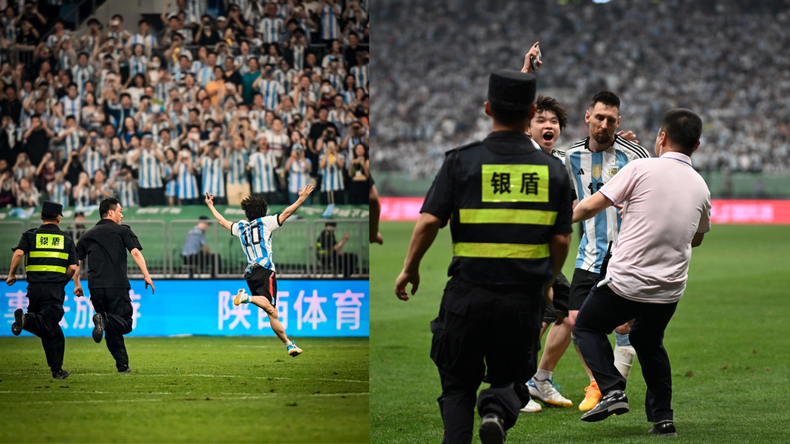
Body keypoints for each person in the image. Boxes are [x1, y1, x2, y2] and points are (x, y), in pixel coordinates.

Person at [394, 70, 573, 444]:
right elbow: (560, 240)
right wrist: (547, 281)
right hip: (521, 301)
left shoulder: (462, 161)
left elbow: (428, 222)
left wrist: (410, 268)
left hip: (467, 296)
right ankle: (495, 409)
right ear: (531, 114)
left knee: (457, 384)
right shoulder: (554, 171)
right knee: (511, 379)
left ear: (488, 108)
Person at [571, 109, 710, 438]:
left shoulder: (641, 167)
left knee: (587, 328)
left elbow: (591, 205)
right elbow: (698, 237)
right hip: (668, 289)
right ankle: (663, 418)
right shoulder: (701, 186)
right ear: (697, 145)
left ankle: (613, 389)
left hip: (627, 281)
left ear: (661, 137)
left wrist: (555, 222)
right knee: (649, 342)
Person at [564, 90, 649, 411]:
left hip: (626, 253)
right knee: (575, 322)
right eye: (599, 117)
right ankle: (600, 383)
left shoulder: (635, 154)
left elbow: (654, 187)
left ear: (619, 122)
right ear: (587, 117)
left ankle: (607, 385)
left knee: (622, 325)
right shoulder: (570, 157)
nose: (604, 124)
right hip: (589, 252)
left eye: (611, 120)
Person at [204, 184, 314, 357]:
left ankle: (288, 344)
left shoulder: (241, 227)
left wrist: (211, 205)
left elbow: (222, 222)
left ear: (246, 213)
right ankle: (246, 297)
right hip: (265, 269)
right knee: (270, 306)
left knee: (272, 311)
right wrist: (301, 199)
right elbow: (286, 214)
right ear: (262, 211)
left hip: (250, 273)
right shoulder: (266, 222)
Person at [73, 198, 155, 373]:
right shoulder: (122, 231)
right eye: (120, 211)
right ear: (111, 213)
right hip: (116, 285)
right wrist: (146, 275)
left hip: (95, 287)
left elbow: (76, 262)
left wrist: (77, 283)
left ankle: (122, 364)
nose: (122, 215)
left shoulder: (87, 235)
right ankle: (104, 320)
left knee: (109, 327)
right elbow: (135, 252)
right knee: (125, 323)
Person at [7, 201, 78, 379]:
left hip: (34, 289)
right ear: (59, 218)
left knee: (51, 330)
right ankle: (26, 320)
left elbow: (18, 254)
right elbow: (73, 268)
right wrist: (64, 282)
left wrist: (11, 274)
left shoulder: (30, 236)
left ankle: (57, 370)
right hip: (54, 289)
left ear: (41, 216)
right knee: (49, 324)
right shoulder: (67, 239)